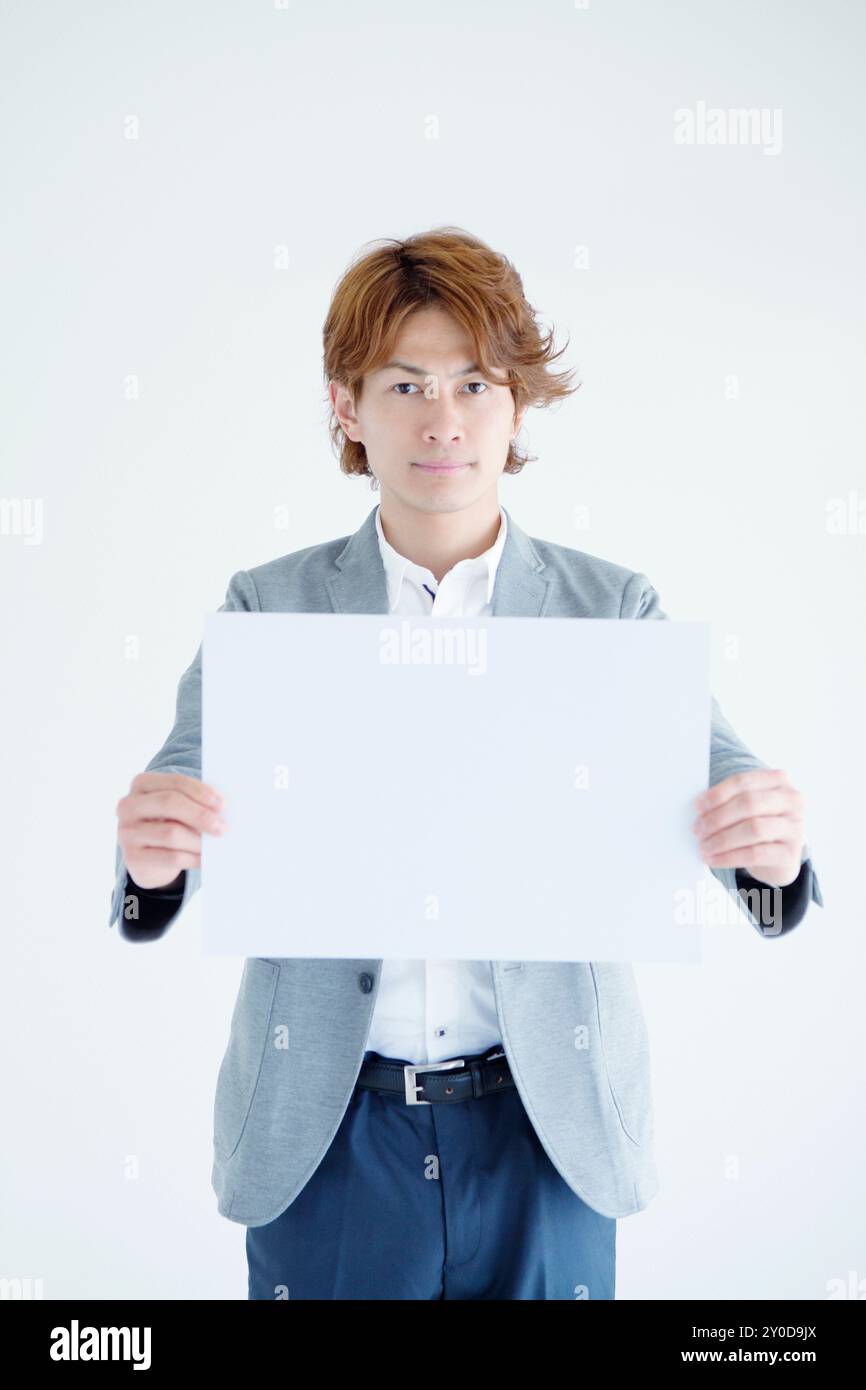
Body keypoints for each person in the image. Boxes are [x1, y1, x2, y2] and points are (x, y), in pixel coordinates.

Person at [111, 227, 823, 1300]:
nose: (442, 418)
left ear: (517, 407)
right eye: (403, 383)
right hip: (328, 1128)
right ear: (347, 407)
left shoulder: (608, 609)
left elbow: (733, 823)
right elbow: (176, 828)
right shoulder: (271, 606)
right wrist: (151, 861)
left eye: (475, 384)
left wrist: (769, 856)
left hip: (548, 1126)